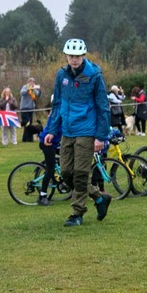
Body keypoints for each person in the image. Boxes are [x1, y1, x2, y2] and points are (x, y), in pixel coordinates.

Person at [41, 39, 112, 226]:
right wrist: (51, 130)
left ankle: (77, 214)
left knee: (80, 173)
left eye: (78, 56)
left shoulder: (94, 75)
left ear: (83, 55)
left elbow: (103, 107)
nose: (74, 59)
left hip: (87, 130)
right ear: (66, 56)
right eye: (71, 56)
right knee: (66, 173)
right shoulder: (61, 75)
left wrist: (101, 136)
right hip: (67, 131)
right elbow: (57, 105)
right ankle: (99, 197)